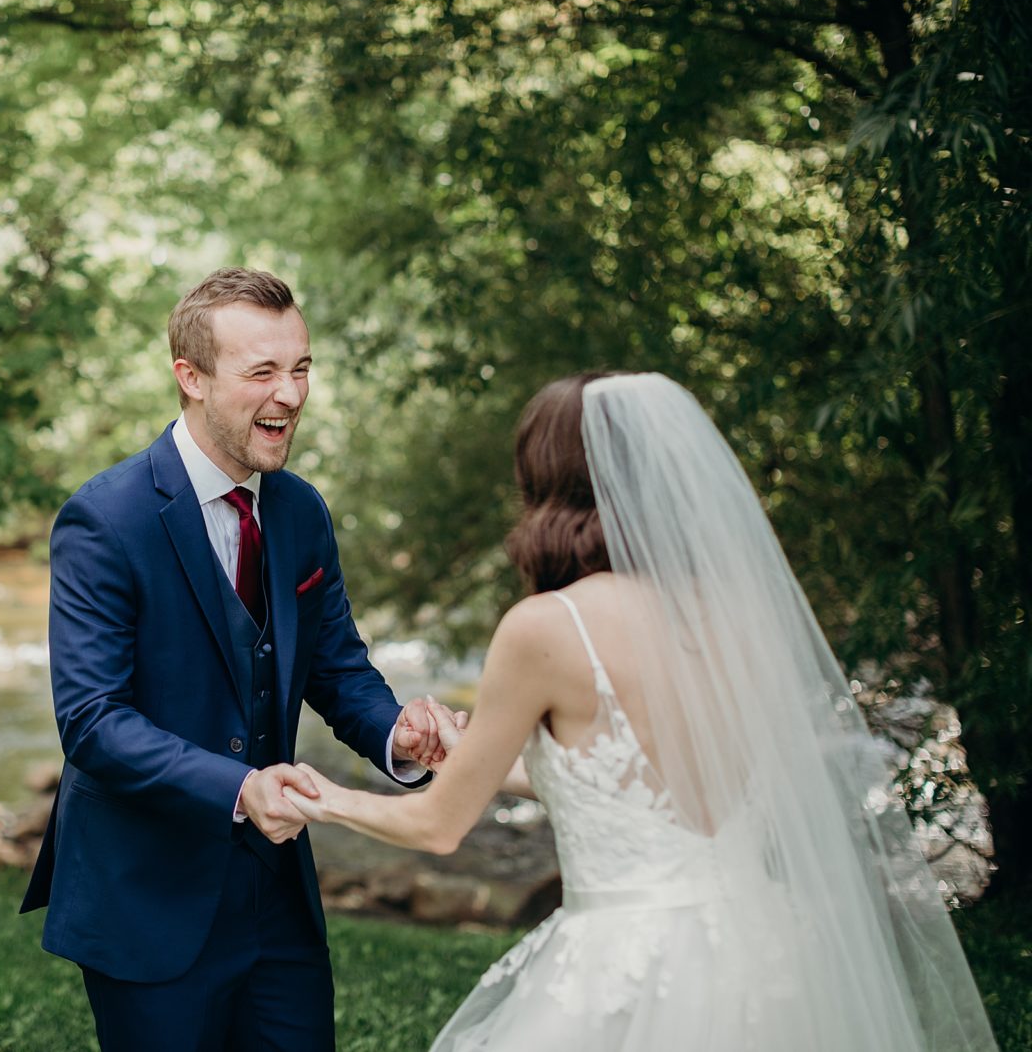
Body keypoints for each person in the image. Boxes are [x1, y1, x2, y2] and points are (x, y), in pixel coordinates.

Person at [285, 372, 1000, 1051]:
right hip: (768, 950)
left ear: (546, 484)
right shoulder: (742, 617)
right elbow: (650, 789)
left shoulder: (546, 626)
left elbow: (437, 828)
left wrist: (319, 795)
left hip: (627, 962)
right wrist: (474, 760)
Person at [20, 267, 463, 1052]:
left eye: (300, 368)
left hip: (278, 898)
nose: (290, 394)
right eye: (262, 371)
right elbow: (92, 721)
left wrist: (397, 734)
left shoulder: (299, 510)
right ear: (189, 377)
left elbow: (336, 665)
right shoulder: (105, 518)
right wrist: (241, 786)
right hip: (148, 899)